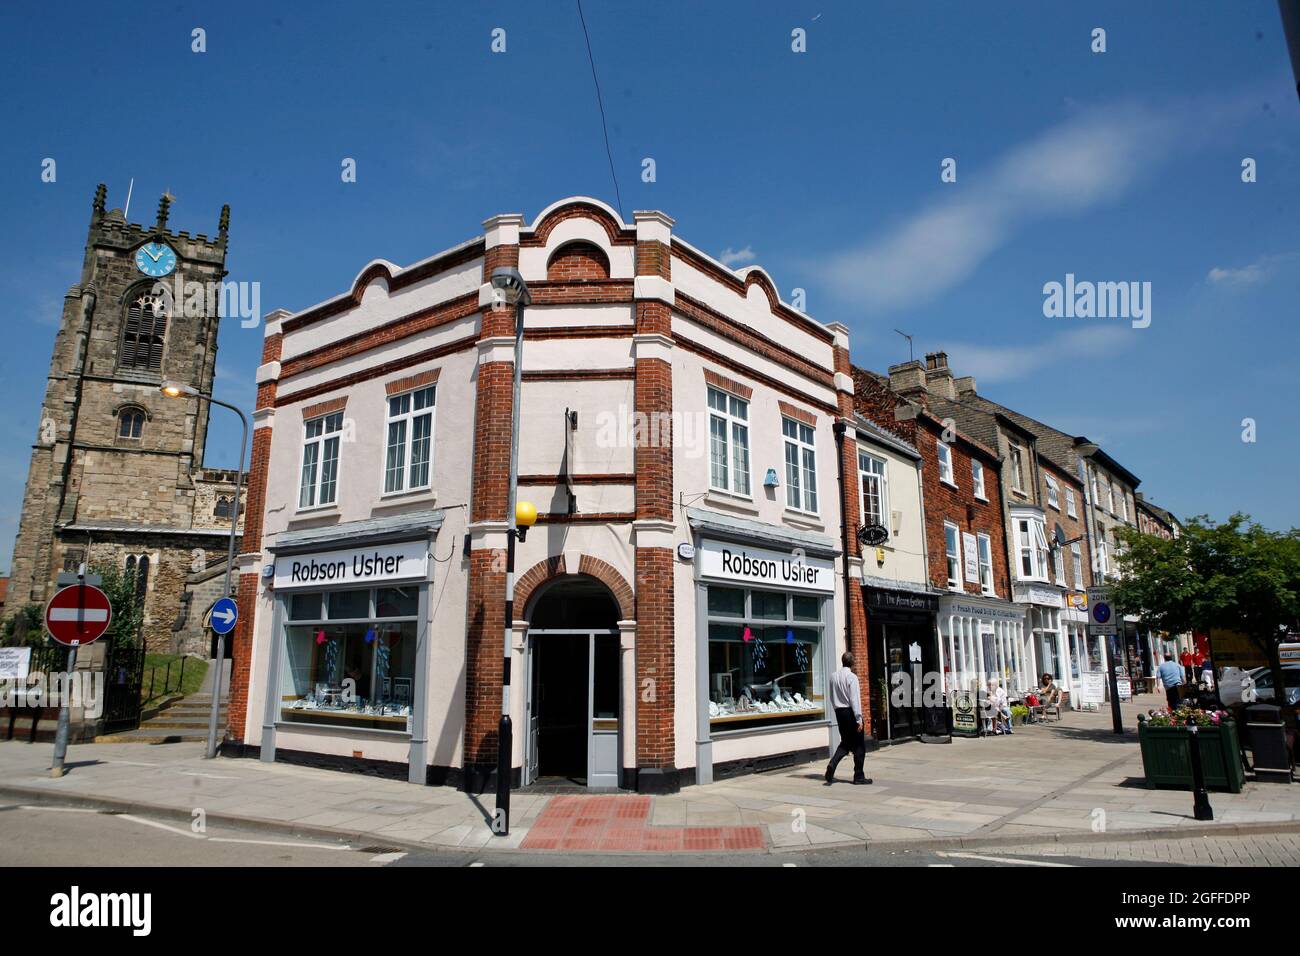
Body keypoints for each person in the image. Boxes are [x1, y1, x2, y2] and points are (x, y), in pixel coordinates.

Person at [825, 652, 871, 785]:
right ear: (852, 663)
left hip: (839, 712)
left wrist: (836, 710)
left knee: (845, 742)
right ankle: (859, 776)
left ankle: (832, 764)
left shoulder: (833, 676)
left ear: (842, 661)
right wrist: (859, 718)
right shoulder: (852, 677)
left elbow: (832, 697)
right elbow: (854, 699)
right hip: (850, 712)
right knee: (859, 745)